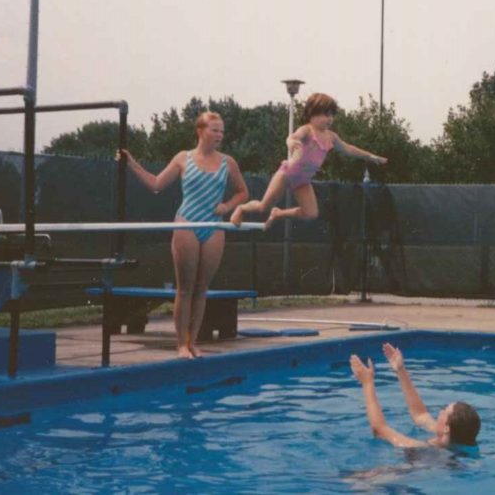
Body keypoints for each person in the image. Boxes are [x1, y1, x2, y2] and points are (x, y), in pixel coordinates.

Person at [118, 111, 249, 359]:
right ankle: (181, 344)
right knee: (185, 288)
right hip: (187, 222)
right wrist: (132, 164)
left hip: (213, 226)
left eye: (221, 131)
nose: (219, 135)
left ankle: (193, 342)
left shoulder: (228, 162)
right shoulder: (183, 158)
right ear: (200, 131)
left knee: (202, 288)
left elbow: (243, 192)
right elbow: (156, 184)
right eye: (214, 130)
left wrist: (227, 206)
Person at [230, 93, 386, 230]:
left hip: (303, 181)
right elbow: (293, 137)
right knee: (263, 207)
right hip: (286, 175)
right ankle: (241, 209)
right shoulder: (307, 130)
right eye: (325, 114)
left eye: (332, 115)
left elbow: (349, 149)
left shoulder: (331, 136)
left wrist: (370, 156)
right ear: (312, 114)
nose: (330, 119)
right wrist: (291, 143)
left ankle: (278, 214)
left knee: (311, 213)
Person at [349, 342, 481, 449]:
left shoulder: (423, 449)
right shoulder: (453, 439)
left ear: (446, 428)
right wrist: (400, 370)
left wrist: (367, 383)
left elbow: (379, 430)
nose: (440, 411)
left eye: (445, 411)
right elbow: (420, 415)